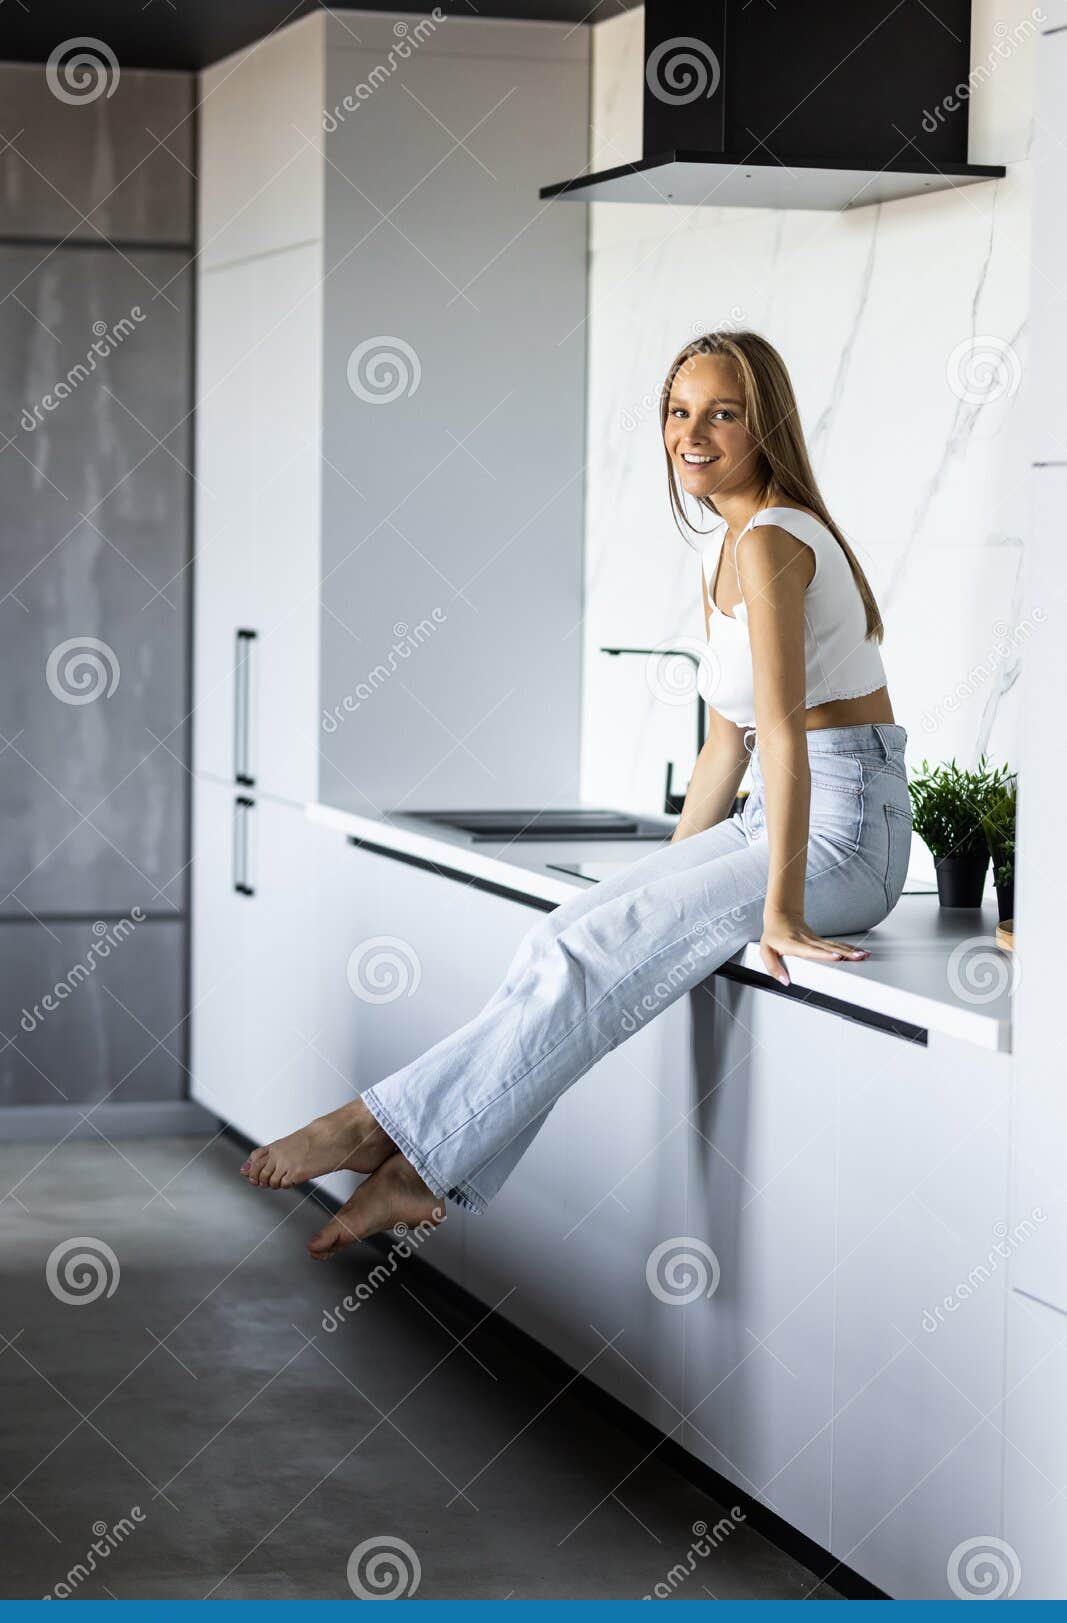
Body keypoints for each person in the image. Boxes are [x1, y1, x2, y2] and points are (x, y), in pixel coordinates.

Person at [240, 330, 913, 1259]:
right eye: (679, 413)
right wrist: (656, 890)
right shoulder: (729, 548)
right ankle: (408, 1168)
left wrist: (781, 911)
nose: (693, 434)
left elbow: (788, 736)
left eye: (722, 413)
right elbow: (726, 746)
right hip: (784, 816)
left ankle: (376, 1130)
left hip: (847, 838)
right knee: (569, 930)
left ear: (767, 426)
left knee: (592, 945)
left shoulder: (771, 544)